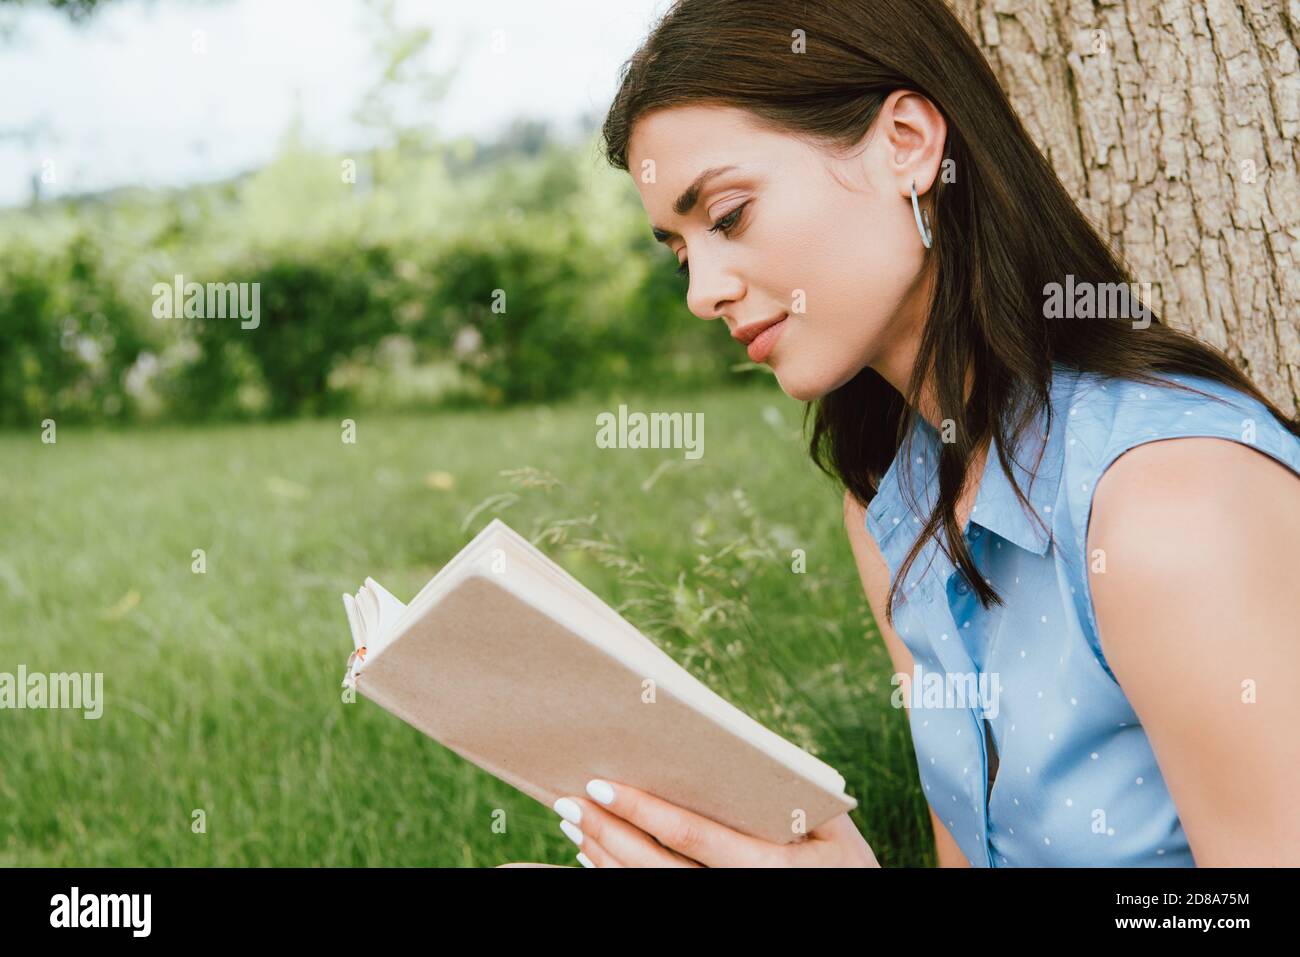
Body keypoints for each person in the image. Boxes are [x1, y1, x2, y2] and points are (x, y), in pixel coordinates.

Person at [501, 0, 1300, 867]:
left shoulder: (1167, 503)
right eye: (681, 250)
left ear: (908, 143)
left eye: (728, 215)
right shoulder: (893, 502)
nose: (703, 291)